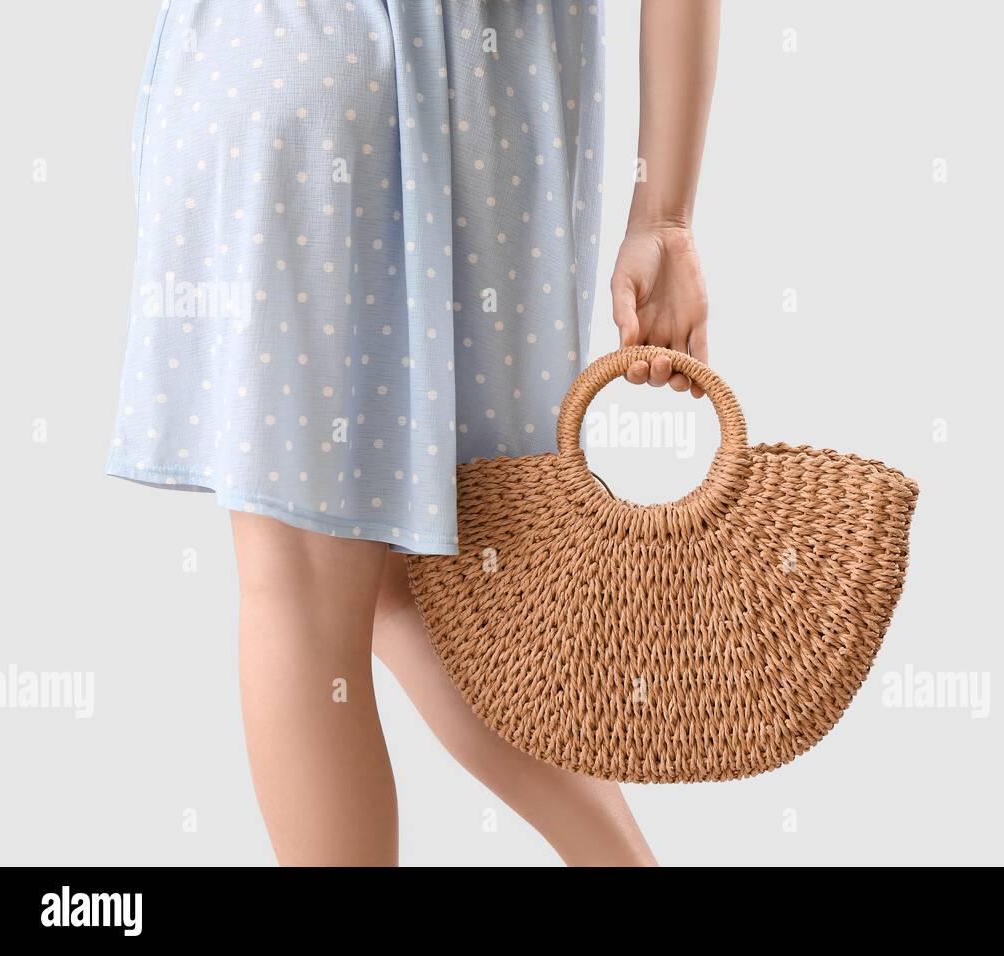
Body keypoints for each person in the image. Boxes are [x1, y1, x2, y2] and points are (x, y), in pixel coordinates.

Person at [105, 0, 719, 866]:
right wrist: (666, 217)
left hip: (287, 79)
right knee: (422, 579)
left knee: (316, 588)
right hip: (495, 122)